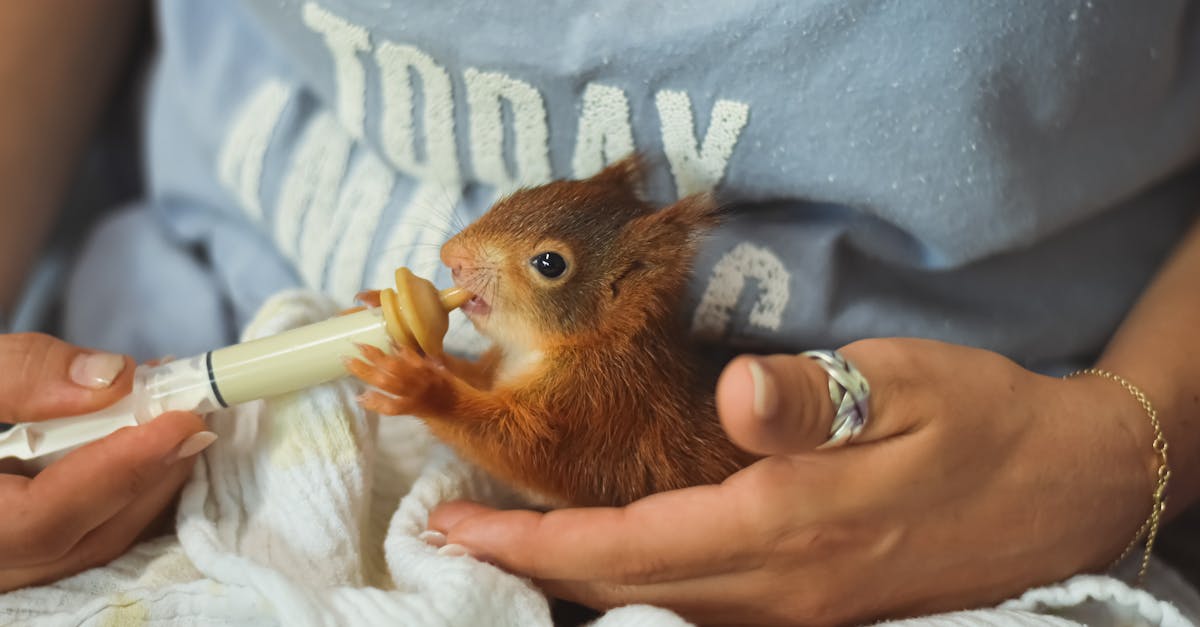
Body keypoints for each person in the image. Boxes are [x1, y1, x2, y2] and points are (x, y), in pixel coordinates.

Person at [1, 0, 1198, 624]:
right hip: (177, 304)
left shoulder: (601, 375)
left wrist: (1118, 447)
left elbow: (553, 450)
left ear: (620, 300)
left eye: (544, 268)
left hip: (967, 505)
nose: (464, 263)